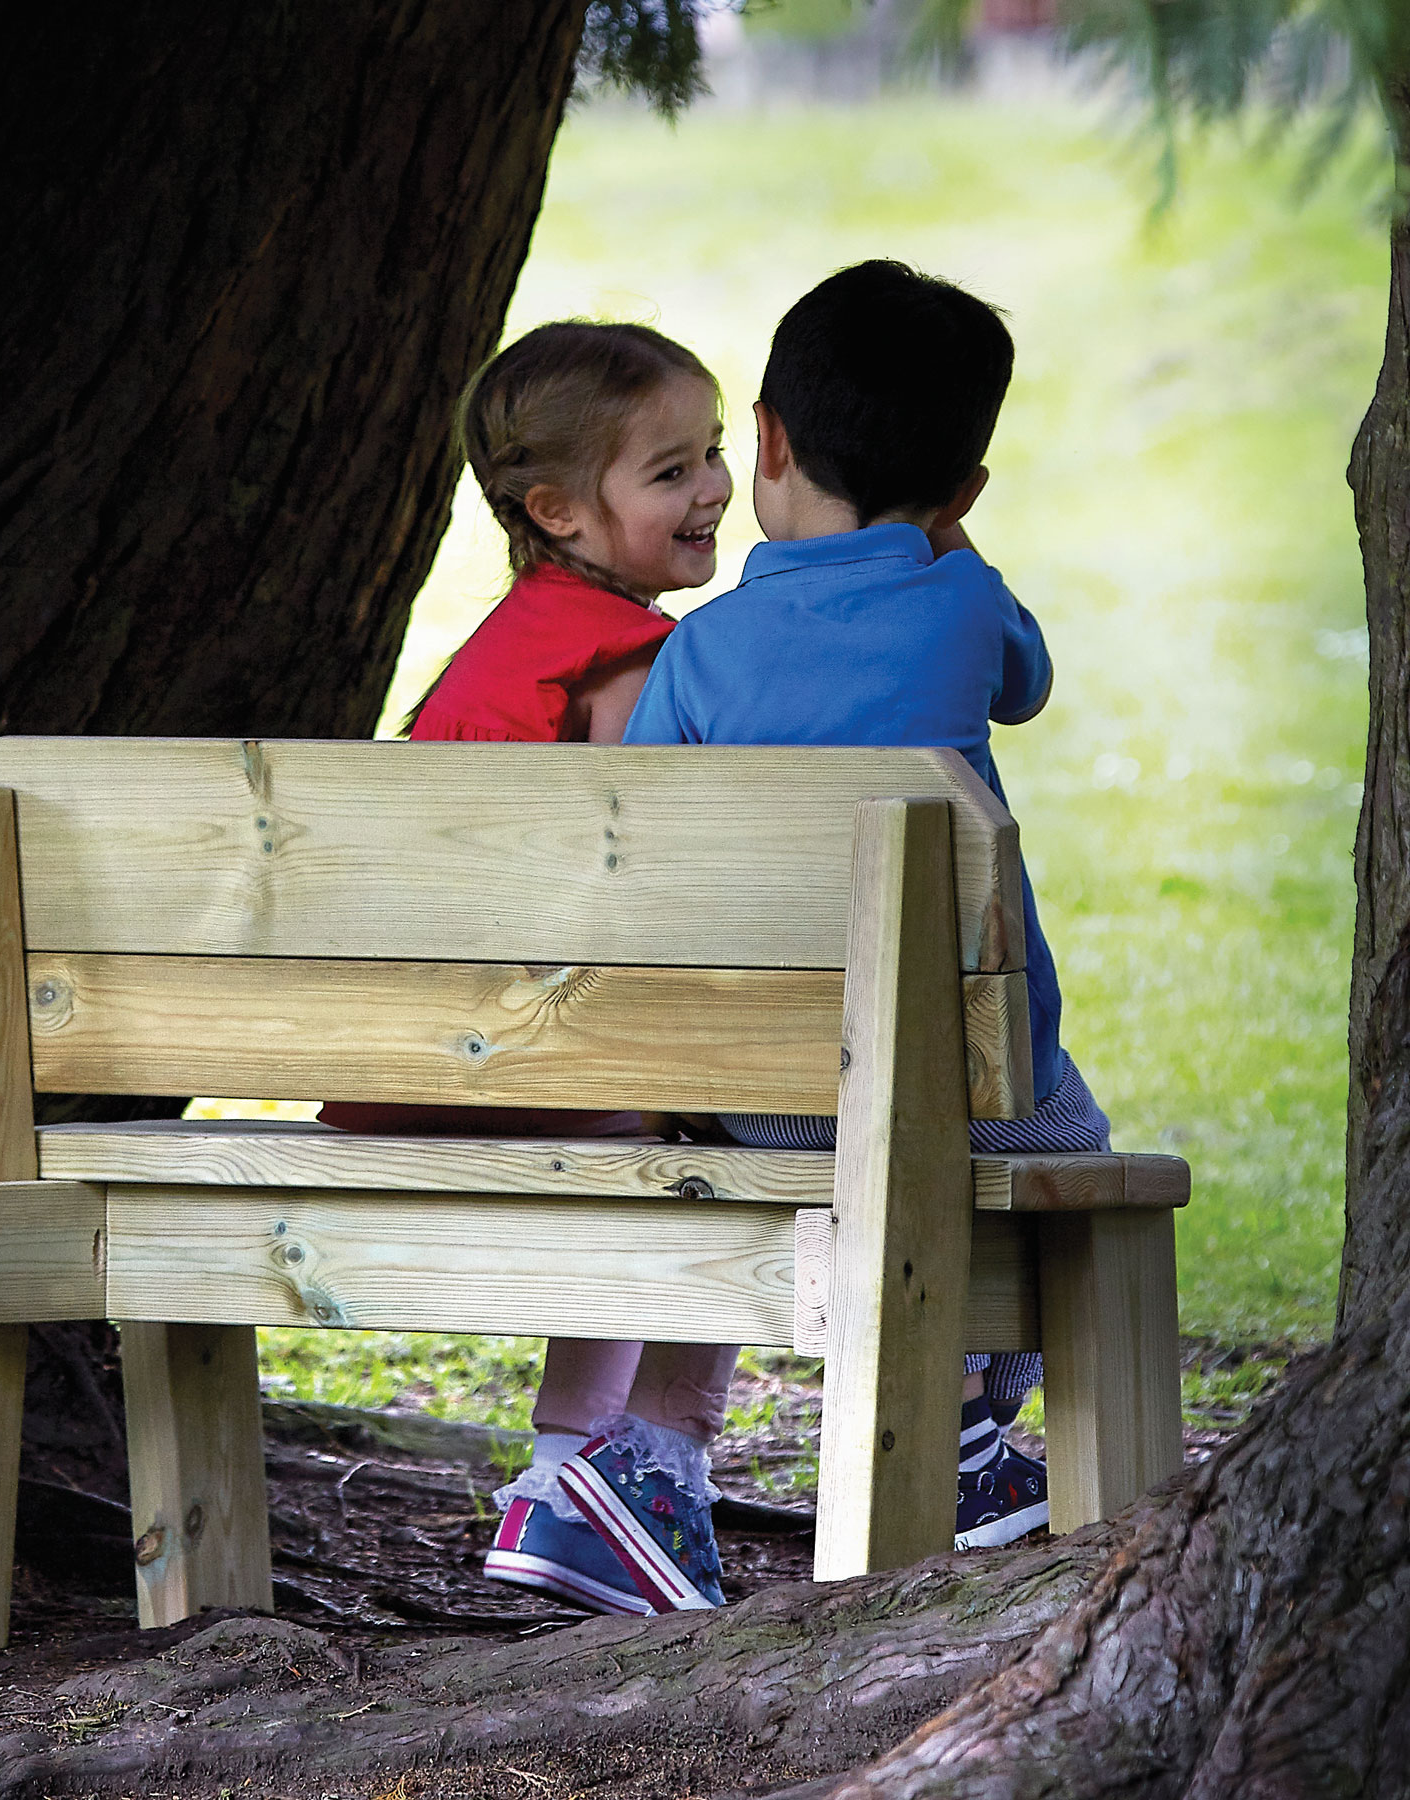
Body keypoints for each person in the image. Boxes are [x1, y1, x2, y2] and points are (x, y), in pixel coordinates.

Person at [621, 259, 1111, 1553]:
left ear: (768, 440)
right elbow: (1031, 682)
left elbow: (640, 838)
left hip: (756, 1071)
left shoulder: (698, 648)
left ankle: (693, 1452)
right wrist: (951, 537)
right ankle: (962, 1424)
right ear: (963, 492)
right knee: (1080, 1144)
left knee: (867, 1128)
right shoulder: (961, 598)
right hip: (968, 1076)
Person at [321, 320, 738, 1615]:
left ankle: (569, 1481)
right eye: (670, 471)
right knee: (722, 1125)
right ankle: (605, 1477)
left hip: (385, 1064)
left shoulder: (510, 642)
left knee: (670, 1106)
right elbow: (649, 873)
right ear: (555, 507)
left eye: (714, 454)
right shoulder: (624, 657)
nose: (714, 487)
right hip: (508, 1063)